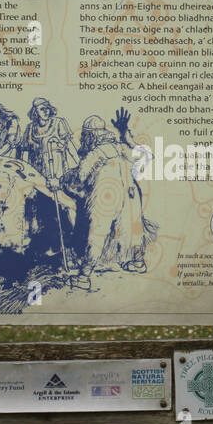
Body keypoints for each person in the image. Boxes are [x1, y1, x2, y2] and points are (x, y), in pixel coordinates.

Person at [59, 107, 157, 290]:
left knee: (97, 232)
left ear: (91, 136)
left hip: (106, 195)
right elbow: (148, 157)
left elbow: (79, 177)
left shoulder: (95, 153)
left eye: (85, 136)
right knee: (132, 228)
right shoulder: (122, 148)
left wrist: (64, 178)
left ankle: (84, 275)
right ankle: (137, 262)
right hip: (130, 195)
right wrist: (127, 136)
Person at [18, 96, 78, 191]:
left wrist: (78, 164)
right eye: (42, 109)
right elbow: (25, 152)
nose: (46, 111)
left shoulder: (58, 123)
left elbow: (69, 145)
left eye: (47, 108)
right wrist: (23, 173)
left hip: (57, 172)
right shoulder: (30, 128)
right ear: (35, 112)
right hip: (36, 172)